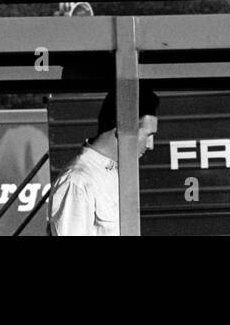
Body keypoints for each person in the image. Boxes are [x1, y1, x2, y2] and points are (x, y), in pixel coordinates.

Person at [48, 85, 159, 236]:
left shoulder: (114, 174)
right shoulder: (78, 181)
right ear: (123, 129)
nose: (150, 145)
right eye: (148, 135)